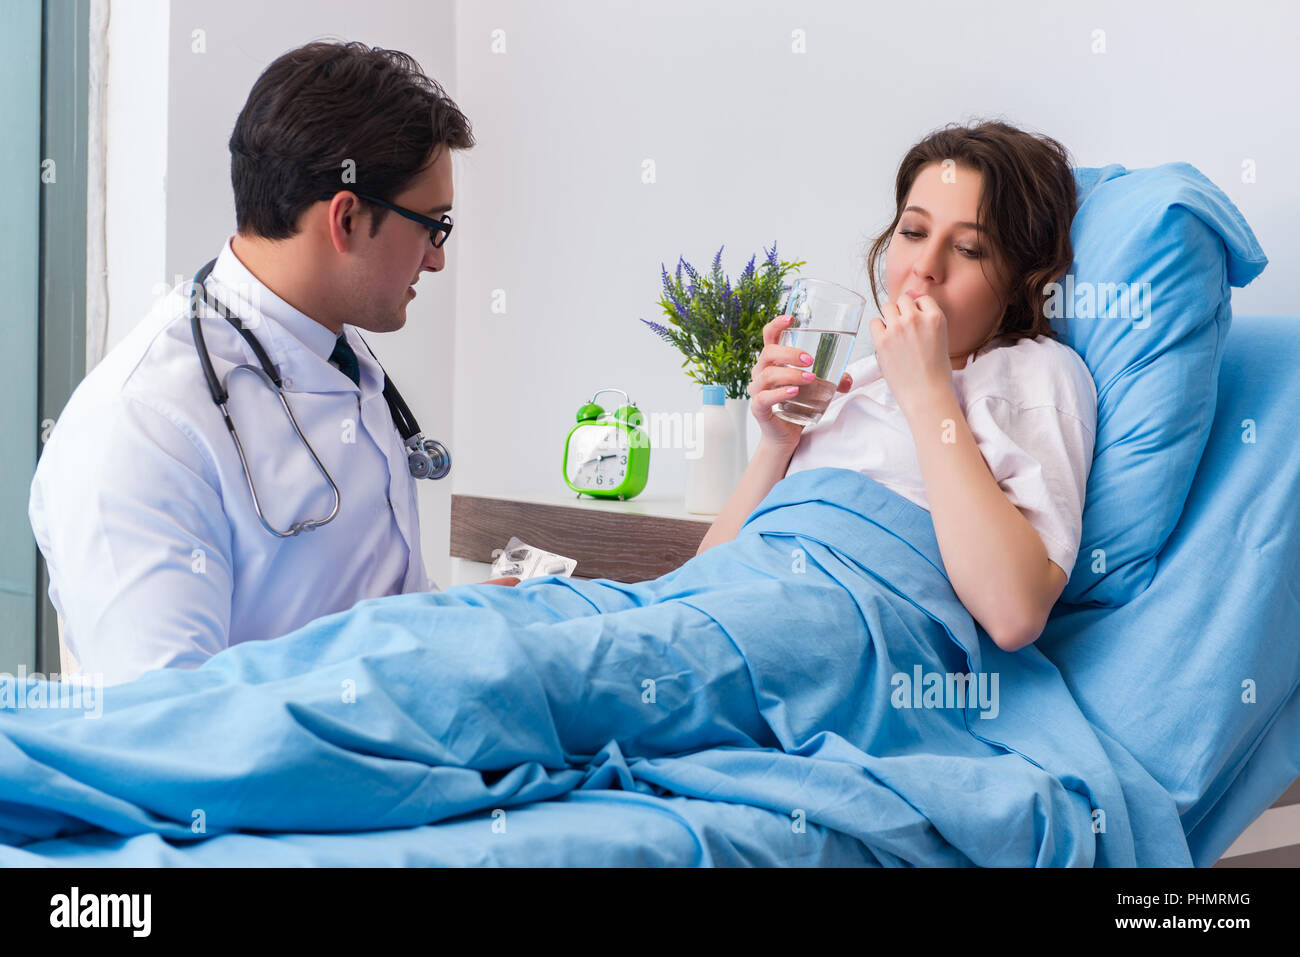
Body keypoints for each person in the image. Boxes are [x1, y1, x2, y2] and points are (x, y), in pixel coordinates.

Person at [29, 41, 516, 687]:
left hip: (398, 747)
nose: (437, 258)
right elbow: (165, 721)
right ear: (345, 218)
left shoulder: (339, 354)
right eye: (433, 224)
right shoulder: (141, 426)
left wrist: (464, 616)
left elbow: (371, 607)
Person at [696, 120, 1098, 653]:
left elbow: (1015, 615)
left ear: (1021, 279)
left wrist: (928, 394)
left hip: (826, 634)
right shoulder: (851, 381)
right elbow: (702, 582)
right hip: (727, 613)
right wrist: (778, 444)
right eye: (913, 233)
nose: (926, 267)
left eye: (971, 249)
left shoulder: (1036, 371)